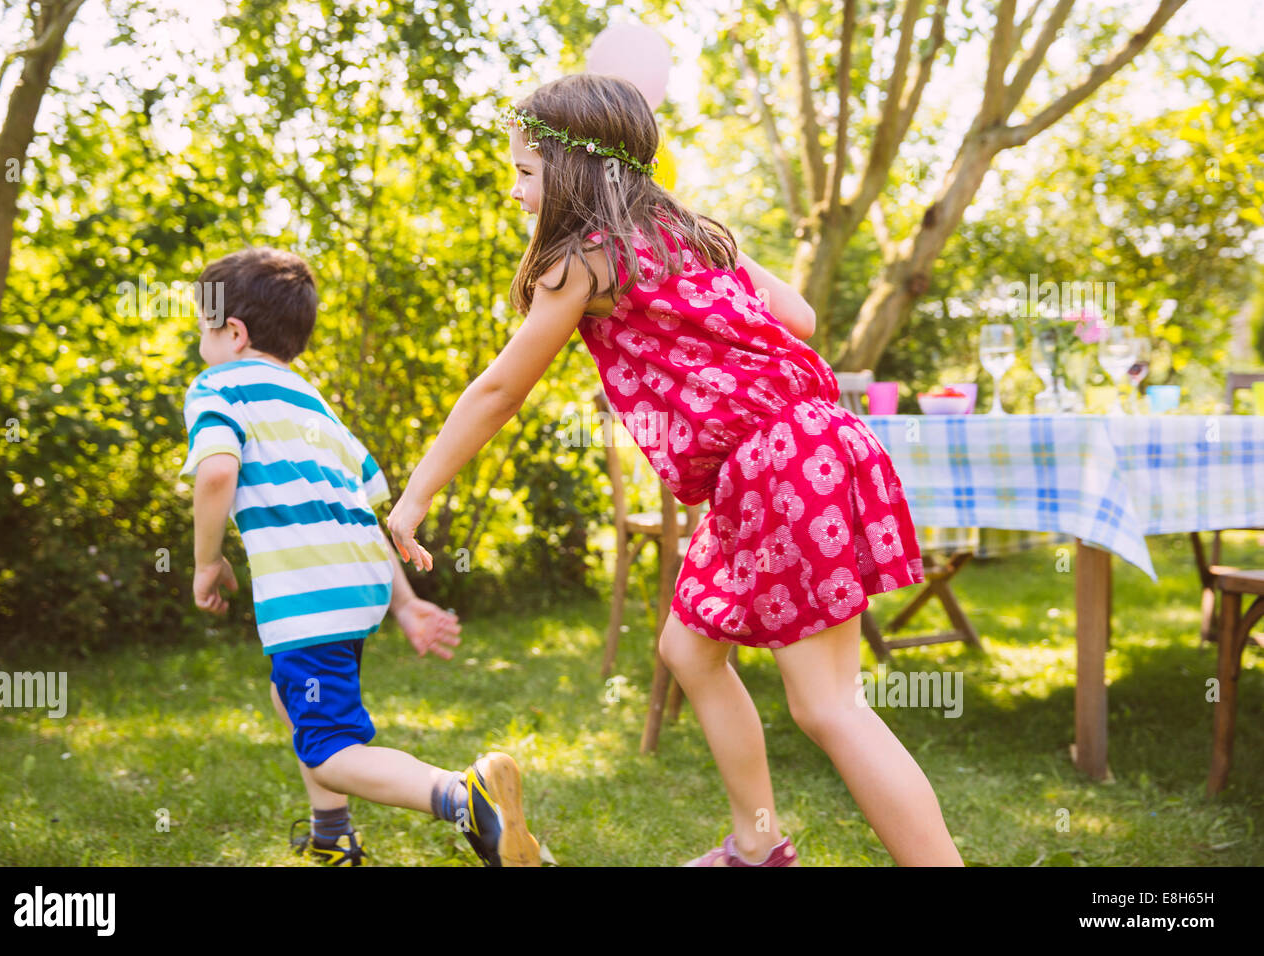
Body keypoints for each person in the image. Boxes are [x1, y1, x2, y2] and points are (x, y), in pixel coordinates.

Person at [386, 72, 963, 867]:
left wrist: (415, 496)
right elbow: (798, 318)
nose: (515, 191)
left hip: (778, 466)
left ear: (573, 171)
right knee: (689, 650)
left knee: (831, 706)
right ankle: (756, 845)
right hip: (811, 445)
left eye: (525, 170)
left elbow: (498, 390)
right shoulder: (695, 234)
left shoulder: (585, 262)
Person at [180, 246, 541, 867]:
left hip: (311, 600)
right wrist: (405, 604)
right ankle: (332, 835)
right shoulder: (315, 406)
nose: (201, 346)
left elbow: (215, 475)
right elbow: (360, 511)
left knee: (329, 747)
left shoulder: (218, 386)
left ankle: (464, 798)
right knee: (286, 695)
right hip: (356, 589)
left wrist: (205, 563)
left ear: (232, 333)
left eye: (203, 330)